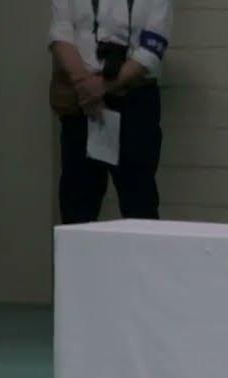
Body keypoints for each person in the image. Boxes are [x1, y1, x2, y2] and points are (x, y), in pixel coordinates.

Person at [49, 0, 173, 224]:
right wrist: (84, 86)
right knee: (77, 204)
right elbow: (61, 35)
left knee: (139, 203)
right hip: (82, 102)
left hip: (134, 99)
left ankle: (141, 259)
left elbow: (153, 47)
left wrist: (102, 88)